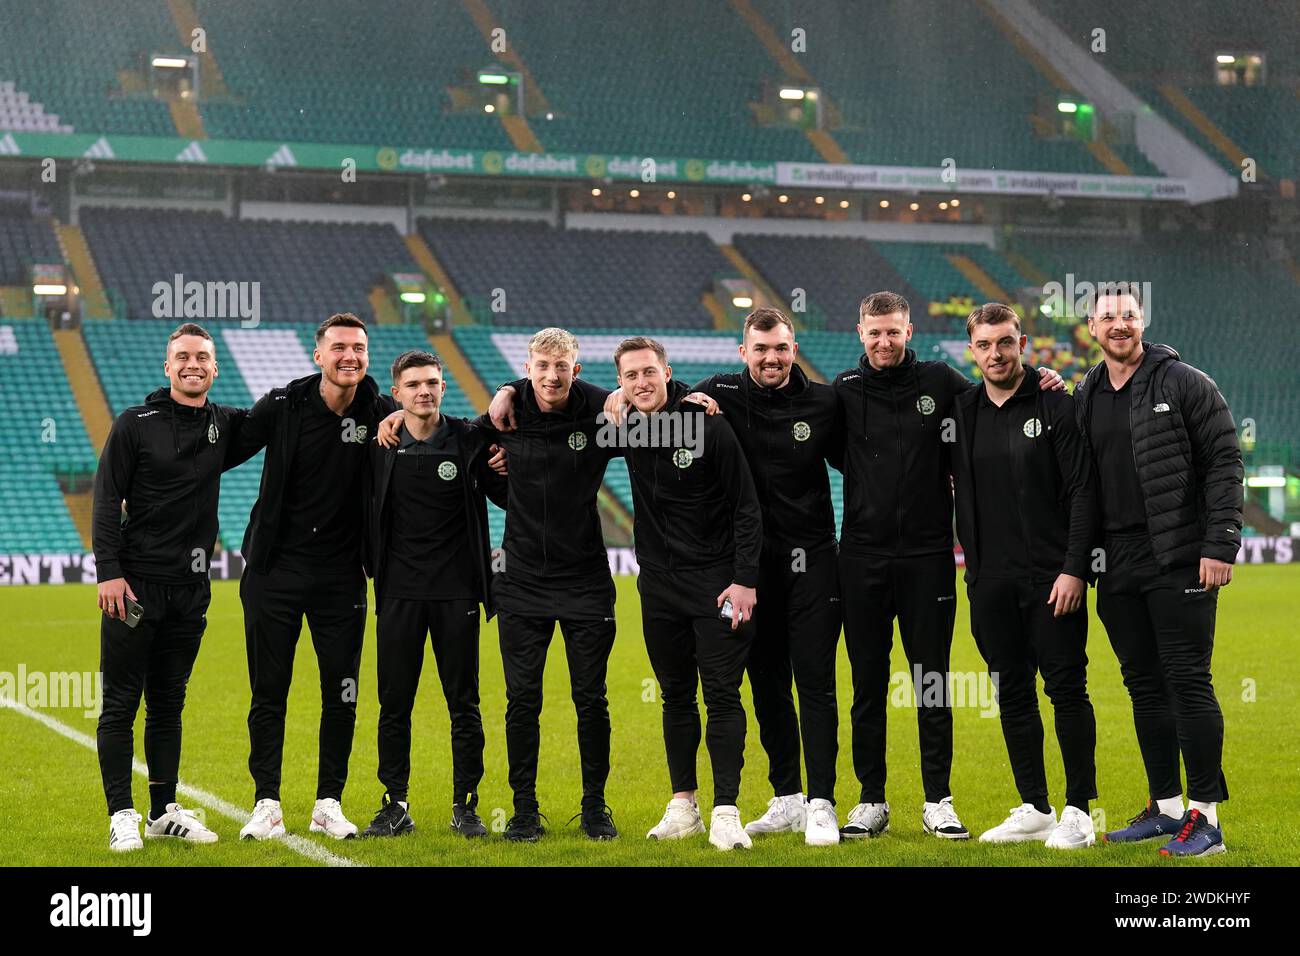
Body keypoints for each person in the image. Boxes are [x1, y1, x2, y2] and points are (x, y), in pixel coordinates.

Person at [833, 291, 1065, 840]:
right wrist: (697, 398)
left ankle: (938, 798)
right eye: (874, 332)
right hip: (861, 558)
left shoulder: (941, 383)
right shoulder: (840, 393)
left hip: (927, 558)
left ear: (909, 331)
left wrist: (1044, 378)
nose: (884, 341)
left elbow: (1001, 390)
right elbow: (778, 409)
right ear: (859, 333)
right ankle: (871, 800)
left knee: (931, 682)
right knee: (867, 685)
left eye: (894, 331)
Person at [1074, 287, 1241, 857]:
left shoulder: (1185, 382)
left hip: (1179, 555)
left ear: (1142, 322)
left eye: (1129, 316)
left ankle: (1207, 818)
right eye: (1108, 318)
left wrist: (1219, 542)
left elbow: (1225, 459)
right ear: (1091, 328)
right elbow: (1083, 481)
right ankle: (1167, 809)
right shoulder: (1087, 392)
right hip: (1116, 562)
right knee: (1143, 685)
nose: (1120, 325)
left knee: (1188, 681)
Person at [232, 313, 399, 841]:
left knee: (342, 693)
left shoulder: (382, 412)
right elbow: (219, 447)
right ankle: (266, 802)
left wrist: (508, 394)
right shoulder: (282, 405)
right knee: (269, 692)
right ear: (318, 355)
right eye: (339, 348)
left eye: (359, 348)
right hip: (273, 571)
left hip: (342, 576)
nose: (350, 356)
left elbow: (441, 428)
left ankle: (329, 801)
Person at [689, 308, 845, 846]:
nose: (771, 358)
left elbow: (872, 456)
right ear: (743, 352)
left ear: (794, 348)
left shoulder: (826, 403)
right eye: (761, 350)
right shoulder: (718, 392)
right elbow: (653, 393)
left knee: (816, 683)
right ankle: (787, 797)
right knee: (768, 684)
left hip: (814, 563)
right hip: (748, 569)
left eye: (780, 348)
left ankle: (822, 801)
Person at [92, 322, 251, 851]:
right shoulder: (134, 423)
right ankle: (121, 813)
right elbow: (105, 498)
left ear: (215, 366)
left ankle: (163, 811)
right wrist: (109, 571)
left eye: (202, 357)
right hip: (134, 589)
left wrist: (377, 405)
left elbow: (287, 416)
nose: (193, 364)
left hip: (191, 590)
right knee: (120, 703)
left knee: (168, 703)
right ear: (167, 367)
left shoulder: (223, 425)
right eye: (183, 356)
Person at [951, 303, 1098, 848]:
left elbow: (1084, 491)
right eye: (985, 345)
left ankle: (1080, 811)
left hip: (1052, 579)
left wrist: (1075, 569)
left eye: (1005, 342)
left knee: (1066, 689)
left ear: (1022, 343)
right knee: (1011, 691)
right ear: (972, 351)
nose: (995, 353)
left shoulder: (1057, 404)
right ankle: (1035, 806)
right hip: (988, 580)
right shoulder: (961, 411)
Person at [610, 337, 763, 851]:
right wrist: (504, 390)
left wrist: (745, 580)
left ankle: (726, 810)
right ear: (621, 384)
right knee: (676, 696)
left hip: (717, 582)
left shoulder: (707, 423)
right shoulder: (624, 423)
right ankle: (683, 807)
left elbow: (746, 506)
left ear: (667, 372)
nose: (641, 382)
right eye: (631, 376)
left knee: (721, 696)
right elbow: (556, 392)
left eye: (649, 372)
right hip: (658, 586)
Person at [479, 328, 624, 840]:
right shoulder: (506, 410)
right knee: (523, 701)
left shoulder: (603, 409)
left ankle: (595, 807)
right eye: (541, 366)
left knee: (592, 699)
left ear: (576, 369)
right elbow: (454, 445)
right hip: (519, 581)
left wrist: (701, 400)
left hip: (585, 579)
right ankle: (523, 809)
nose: (552, 375)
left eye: (561, 366)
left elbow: (657, 417)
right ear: (528, 367)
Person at [361, 350, 506, 839]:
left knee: (463, 703)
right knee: (393, 703)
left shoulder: (470, 440)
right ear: (396, 394)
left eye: (433, 383)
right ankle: (395, 803)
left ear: (444, 387)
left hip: (457, 593)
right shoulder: (380, 443)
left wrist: (504, 463)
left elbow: (505, 493)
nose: (425, 390)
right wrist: (389, 419)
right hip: (398, 592)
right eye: (414, 384)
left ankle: (465, 806)